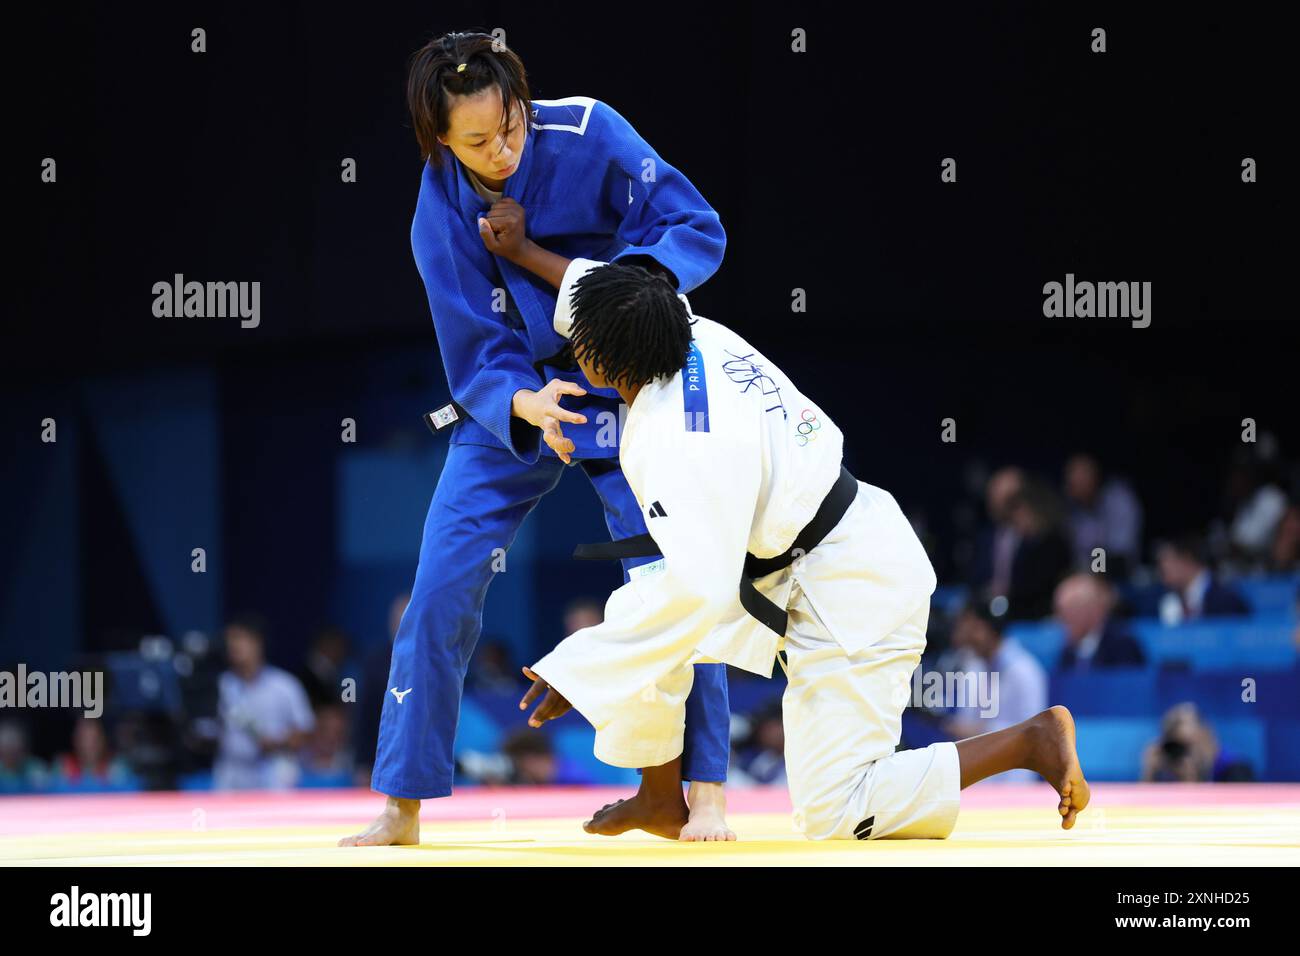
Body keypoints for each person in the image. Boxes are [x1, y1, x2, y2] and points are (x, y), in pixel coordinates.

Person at [518, 260, 1089, 840]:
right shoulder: (688, 328)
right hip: (822, 548)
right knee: (647, 599)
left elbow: (700, 592)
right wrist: (521, 248)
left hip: (852, 586)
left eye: (579, 340)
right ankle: (660, 796)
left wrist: (575, 673)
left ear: (603, 360)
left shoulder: (675, 441)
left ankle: (1027, 741)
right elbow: (600, 290)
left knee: (834, 809)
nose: (570, 341)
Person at [342, 32, 731, 847]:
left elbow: (696, 228)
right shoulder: (437, 208)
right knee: (441, 584)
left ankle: (707, 795)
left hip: (626, 378)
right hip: (520, 397)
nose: (504, 150)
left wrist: (618, 306)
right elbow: (472, 349)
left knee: (678, 579)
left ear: (525, 102)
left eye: (511, 126)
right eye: (478, 142)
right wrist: (525, 401)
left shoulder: (591, 132)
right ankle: (401, 806)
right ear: (438, 140)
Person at [943, 603, 1048, 782]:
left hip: (1015, 778)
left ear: (992, 630)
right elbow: (965, 727)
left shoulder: (1026, 671)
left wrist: (981, 730)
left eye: (975, 628)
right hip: (977, 776)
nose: (968, 637)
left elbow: (1036, 736)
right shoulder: (973, 669)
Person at [214, 615, 315, 790]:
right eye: (229, 640)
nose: (233, 645)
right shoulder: (222, 685)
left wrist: (278, 742)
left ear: (258, 642)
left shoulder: (284, 684)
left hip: (274, 768)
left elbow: (306, 730)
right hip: (232, 770)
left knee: (277, 816)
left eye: (239, 638)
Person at [1053, 573, 1146, 670]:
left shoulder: (1123, 645)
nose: (1061, 620)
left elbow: (1130, 682)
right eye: (1060, 612)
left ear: (1094, 610)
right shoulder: (1067, 652)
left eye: (1069, 611)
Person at [1155, 535, 1250, 624]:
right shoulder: (1163, 599)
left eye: (1166, 560)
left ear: (1186, 559)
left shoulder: (1227, 602)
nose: (1162, 568)